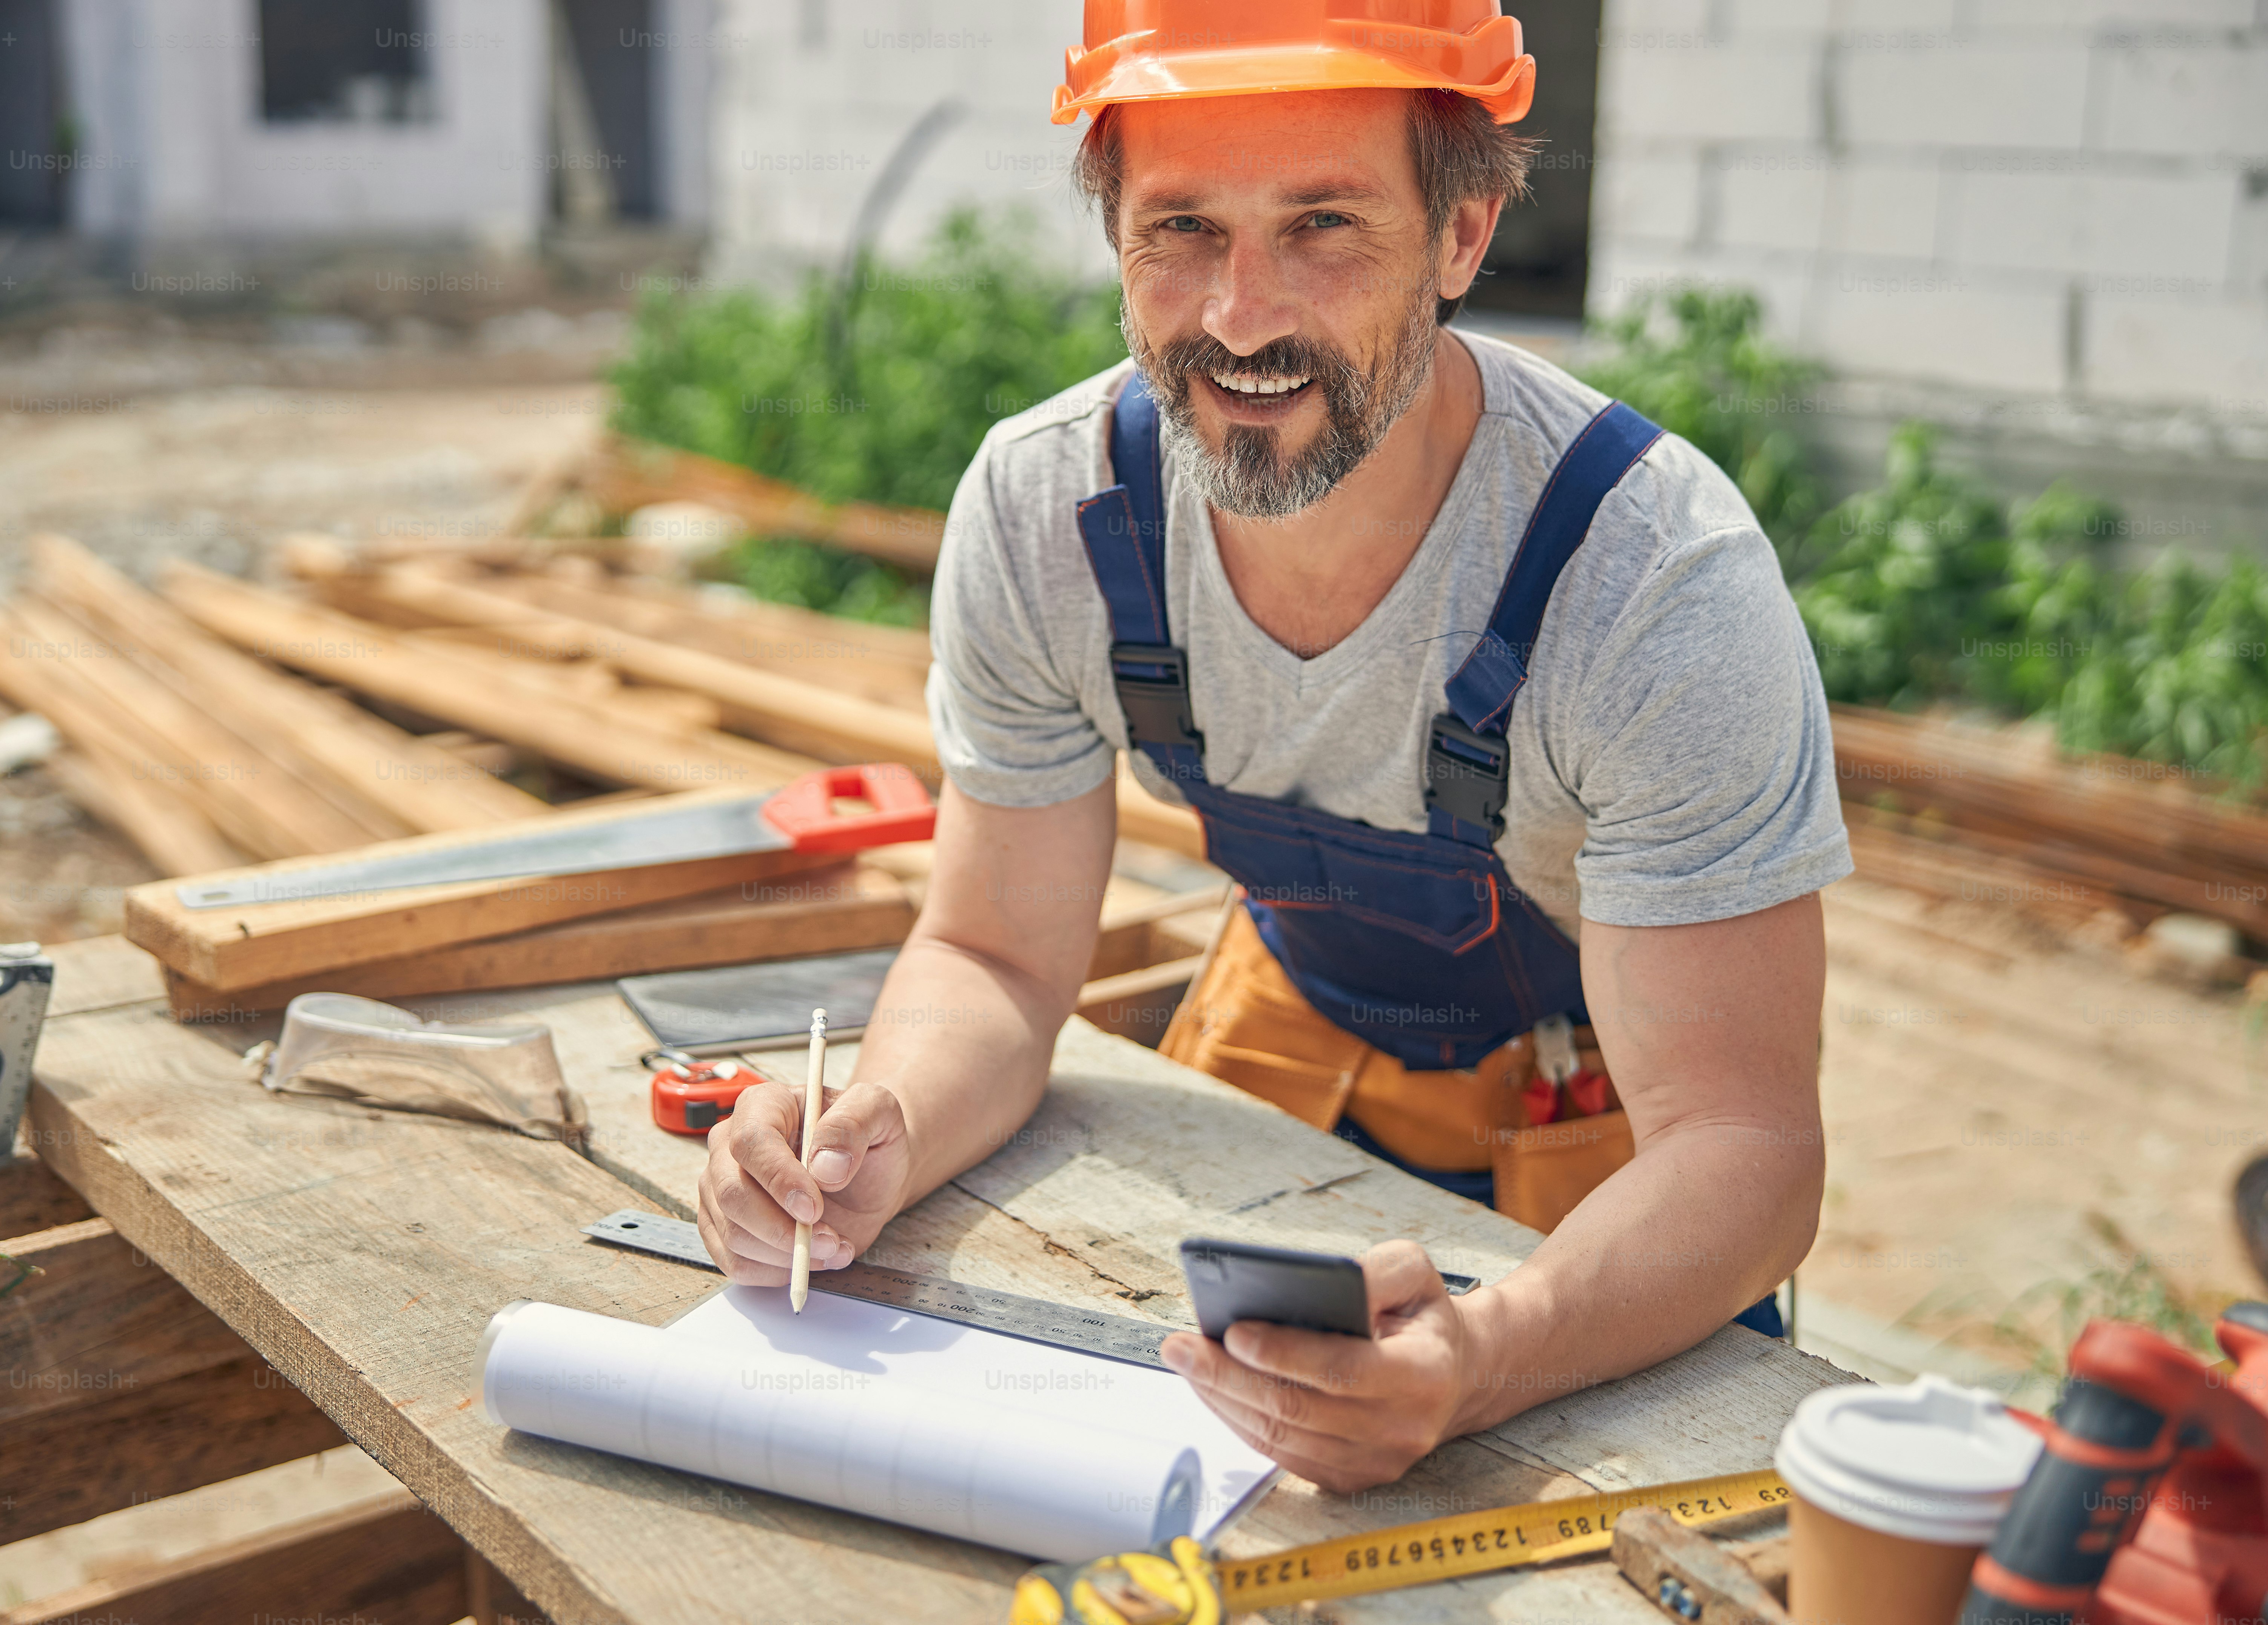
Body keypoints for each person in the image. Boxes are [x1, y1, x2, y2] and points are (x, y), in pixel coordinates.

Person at [696, 0, 1850, 1494]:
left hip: (1607, 1161)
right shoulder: (1050, 518)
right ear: (1111, 226)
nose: (1240, 317)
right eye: (1181, 226)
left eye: (1324, 225)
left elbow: (1747, 1147)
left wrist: (1482, 1358)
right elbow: (993, 956)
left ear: (1463, 234)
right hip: (1288, 1058)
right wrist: (872, 1137)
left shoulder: (1646, 589)